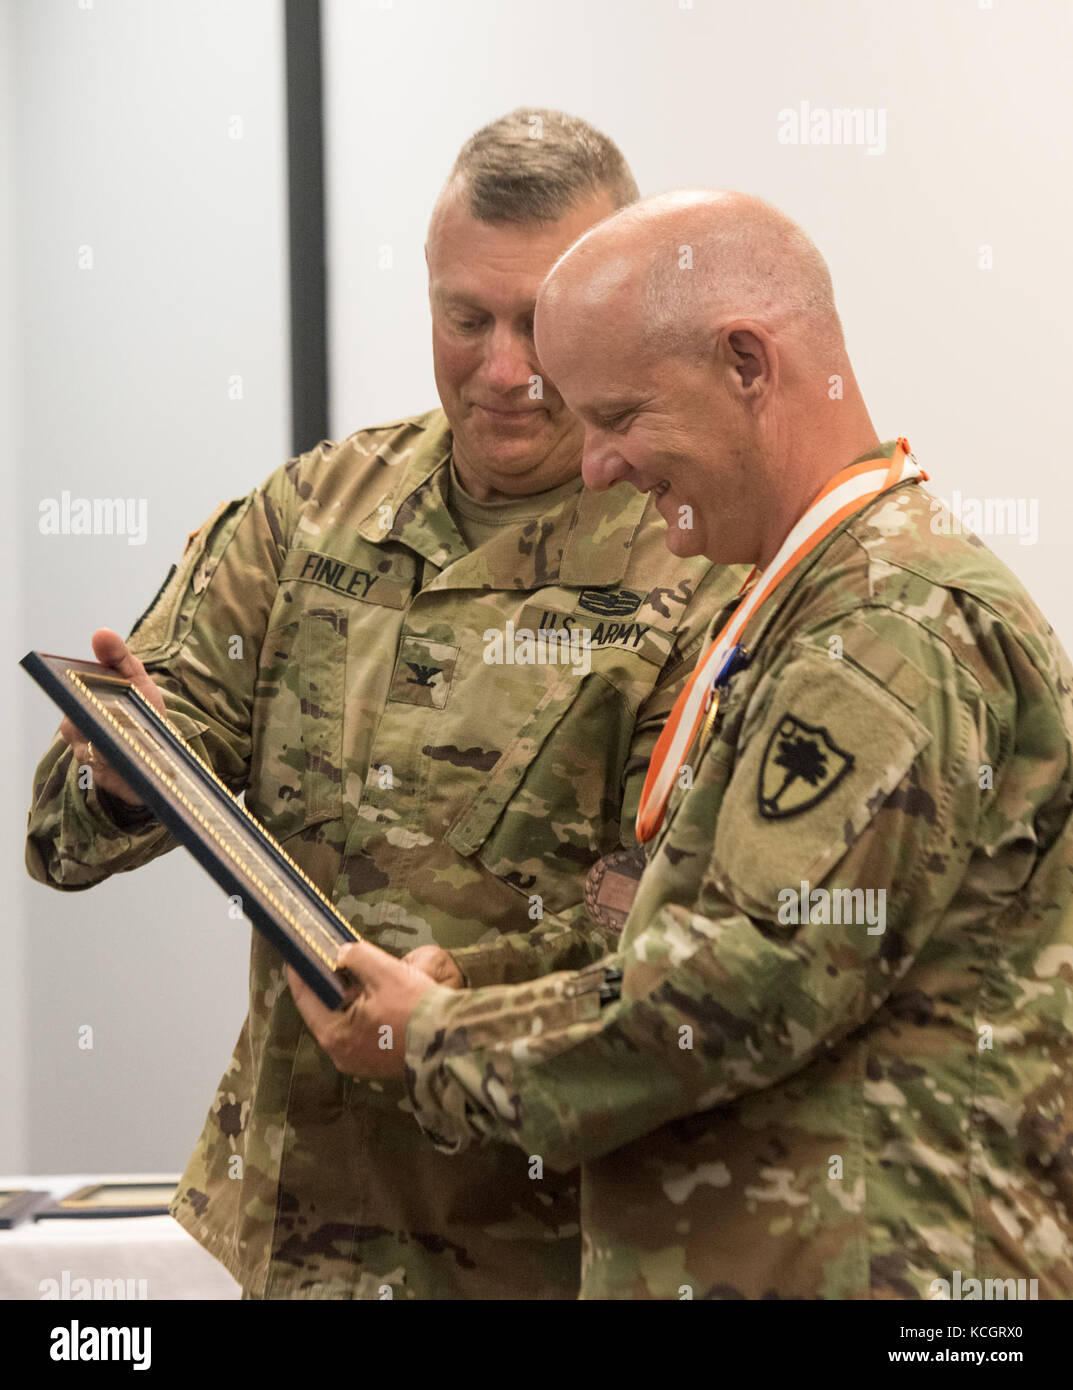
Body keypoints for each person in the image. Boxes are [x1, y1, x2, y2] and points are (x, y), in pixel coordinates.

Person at [293, 190, 1073, 1300]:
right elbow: (686, 927)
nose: (597, 465)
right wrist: (481, 978)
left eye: (615, 415)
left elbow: (740, 983)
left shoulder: (884, 629)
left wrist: (436, 1039)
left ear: (746, 364)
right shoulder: (811, 602)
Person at [24, 123, 746, 1299]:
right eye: (467, 319)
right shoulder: (310, 511)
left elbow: (684, 939)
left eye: (542, 325)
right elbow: (62, 839)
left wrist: (435, 1001)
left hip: (550, 1245)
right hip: (301, 1229)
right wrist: (118, 775)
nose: (504, 368)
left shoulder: (698, 558)